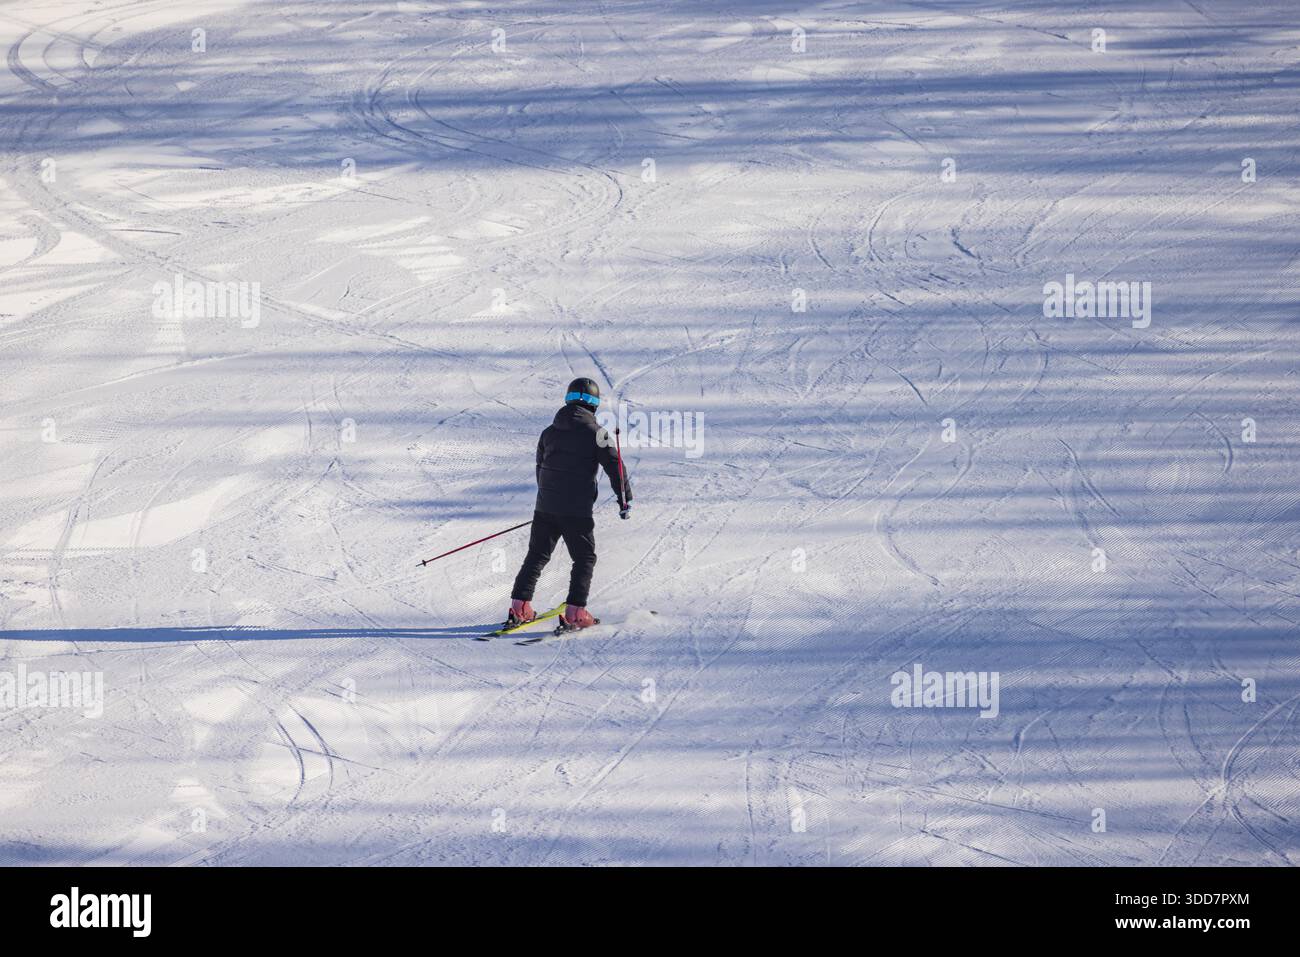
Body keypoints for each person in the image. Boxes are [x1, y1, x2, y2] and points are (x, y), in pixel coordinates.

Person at [507, 377, 631, 631]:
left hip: (546, 507)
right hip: (576, 511)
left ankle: (519, 607)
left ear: (567, 399)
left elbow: (540, 468)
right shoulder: (598, 434)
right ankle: (576, 612)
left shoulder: (549, 432)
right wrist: (624, 500)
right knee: (584, 558)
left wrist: (548, 499)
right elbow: (615, 469)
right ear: (594, 405)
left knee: (537, 555)